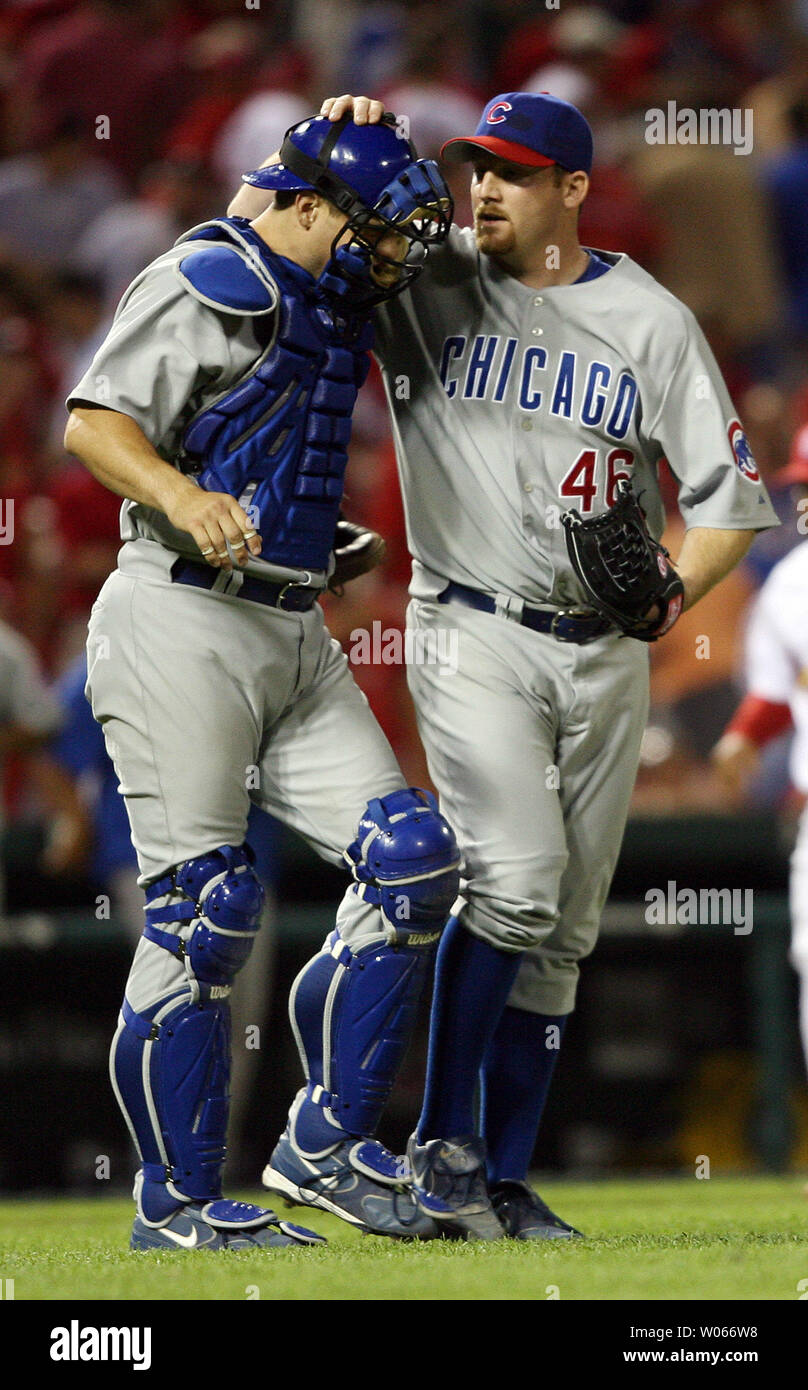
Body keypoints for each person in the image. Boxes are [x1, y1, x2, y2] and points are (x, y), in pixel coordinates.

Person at [254, 90, 778, 1240]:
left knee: (561, 938)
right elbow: (282, 225)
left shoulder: (648, 319)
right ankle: (438, 1140)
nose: (479, 188)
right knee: (519, 882)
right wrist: (318, 133)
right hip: (468, 628)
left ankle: (494, 1173)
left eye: (510, 171)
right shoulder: (424, 275)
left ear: (573, 189)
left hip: (607, 652)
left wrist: (674, 591)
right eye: (471, 168)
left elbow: (731, 502)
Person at [63, 112, 460, 1250]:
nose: (388, 250)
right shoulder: (210, 273)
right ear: (303, 208)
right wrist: (183, 500)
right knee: (202, 915)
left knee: (410, 861)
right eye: (368, 225)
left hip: (289, 623)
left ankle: (323, 1144)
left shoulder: (324, 300)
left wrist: (308, 540)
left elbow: (256, 442)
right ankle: (176, 1204)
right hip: (176, 619)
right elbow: (95, 425)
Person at [712, 451, 808, 1086]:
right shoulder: (790, 583)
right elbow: (777, 690)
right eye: (800, 485)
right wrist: (743, 735)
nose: (802, 500)